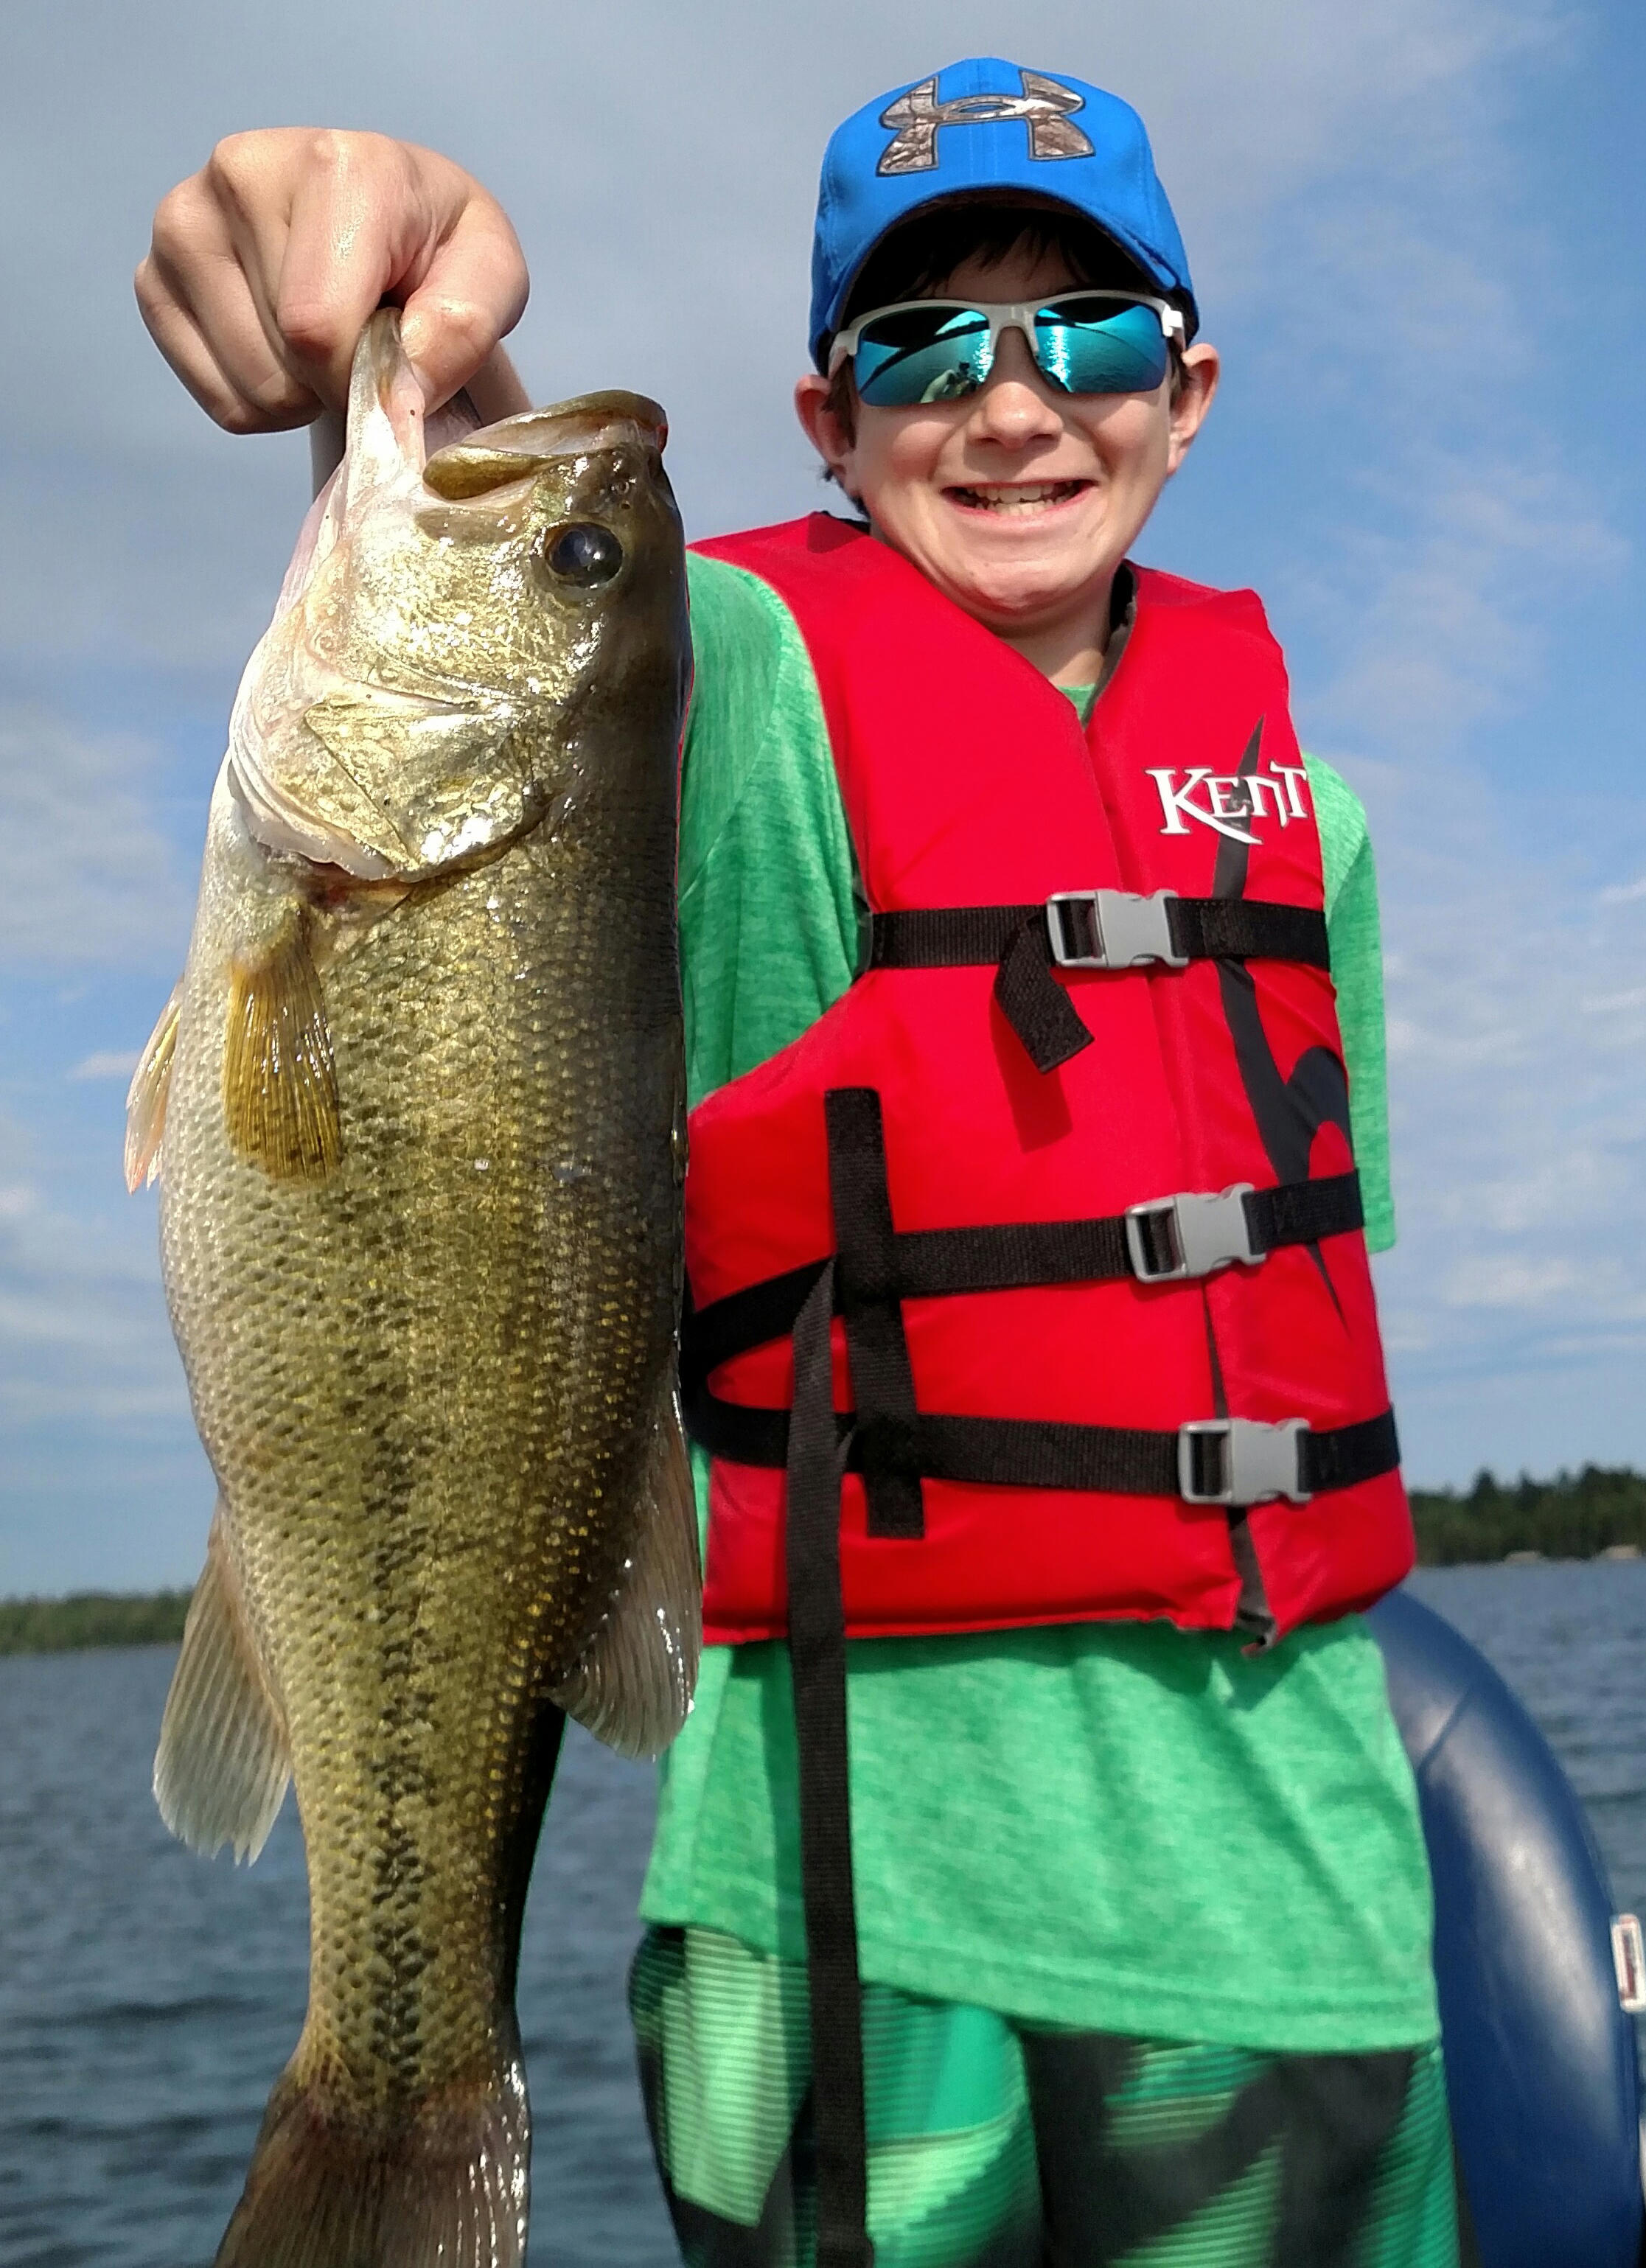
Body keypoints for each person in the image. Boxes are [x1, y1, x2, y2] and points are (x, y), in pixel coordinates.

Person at [139, 59, 1462, 2268]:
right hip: (831, 1917)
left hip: (1296, 1894)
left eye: (1095, 333)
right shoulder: (739, 686)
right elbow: (549, 621)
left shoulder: (1299, 826)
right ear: (830, 424)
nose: (1017, 404)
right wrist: (380, 253)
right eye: (925, 346)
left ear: (1190, 385)